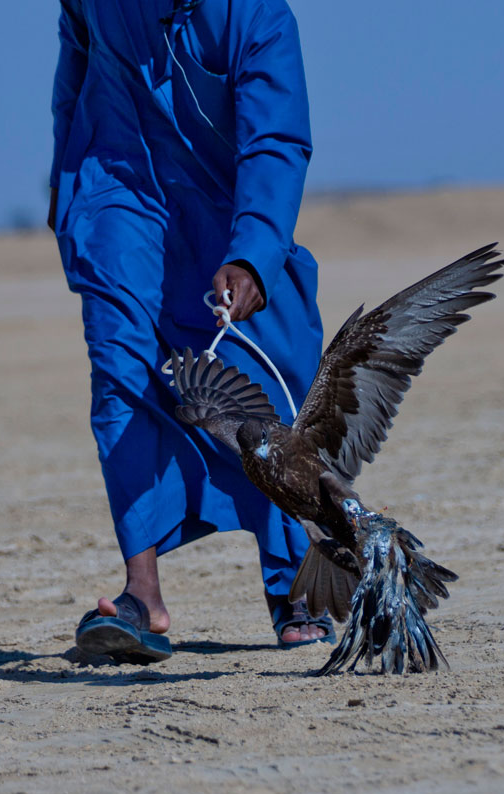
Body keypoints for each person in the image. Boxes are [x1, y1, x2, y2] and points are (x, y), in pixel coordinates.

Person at [49, 0, 333, 663]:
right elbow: (73, 74)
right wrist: (70, 198)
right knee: (118, 371)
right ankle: (142, 595)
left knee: (261, 388)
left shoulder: (258, 17)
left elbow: (276, 141)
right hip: (118, 192)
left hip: (227, 205)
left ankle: (294, 577)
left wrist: (253, 255)